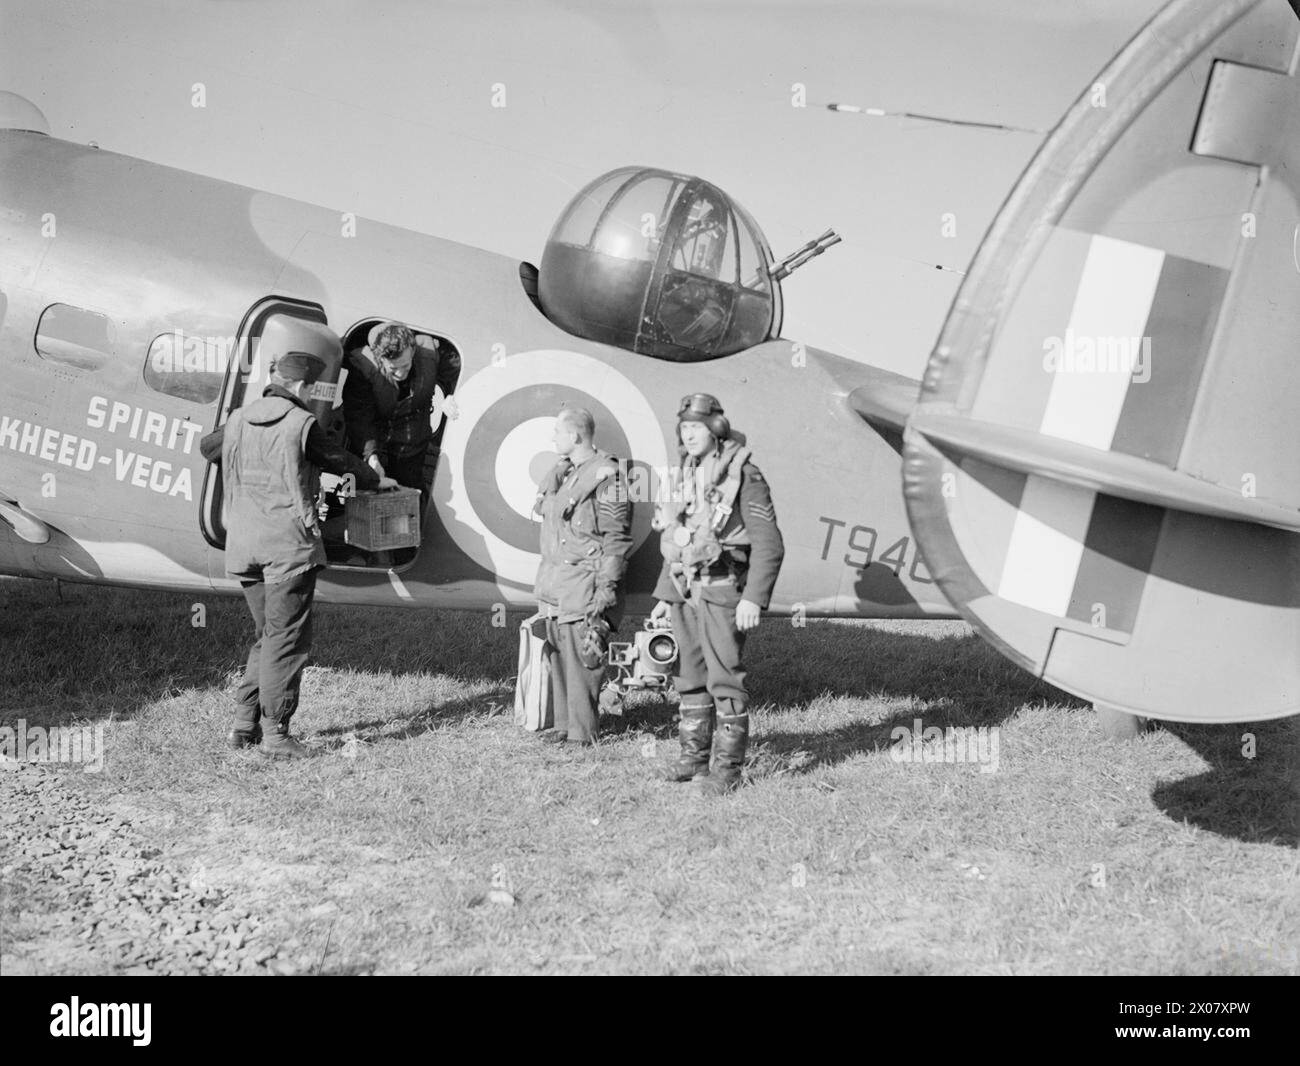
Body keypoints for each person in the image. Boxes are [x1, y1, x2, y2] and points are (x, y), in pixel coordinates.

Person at [200, 349, 397, 757]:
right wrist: (376, 480)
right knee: (286, 639)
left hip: (243, 546)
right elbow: (338, 460)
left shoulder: (237, 420)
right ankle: (276, 735)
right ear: (304, 386)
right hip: (287, 549)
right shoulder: (301, 423)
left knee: (267, 636)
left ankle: (243, 725)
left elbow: (208, 448)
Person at [651, 393, 784, 795]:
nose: (689, 435)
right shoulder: (688, 473)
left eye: (696, 427)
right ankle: (693, 760)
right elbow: (680, 535)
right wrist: (664, 594)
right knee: (689, 676)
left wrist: (753, 598)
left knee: (724, 678)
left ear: (716, 429)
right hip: (685, 589)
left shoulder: (746, 476)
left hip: (725, 590)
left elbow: (769, 544)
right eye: (684, 427)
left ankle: (726, 770)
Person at [533, 407, 633, 747]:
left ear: (575, 436)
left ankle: (582, 733)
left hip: (586, 580)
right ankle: (564, 725)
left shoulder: (609, 478)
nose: (552, 438)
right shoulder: (565, 473)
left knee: (582, 657)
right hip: (559, 579)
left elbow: (616, 539)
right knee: (559, 652)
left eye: (557, 432)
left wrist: (607, 590)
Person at [341, 321, 461, 508]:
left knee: (409, 501)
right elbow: (359, 416)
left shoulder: (431, 353)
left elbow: (461, 372)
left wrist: (454, 396)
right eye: (393, 368)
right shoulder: (363, 366)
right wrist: (371, 456)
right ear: (380, 359)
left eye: (405, 365)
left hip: (412, 444)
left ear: (413, 351)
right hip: (375, 437)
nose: (400, 373)